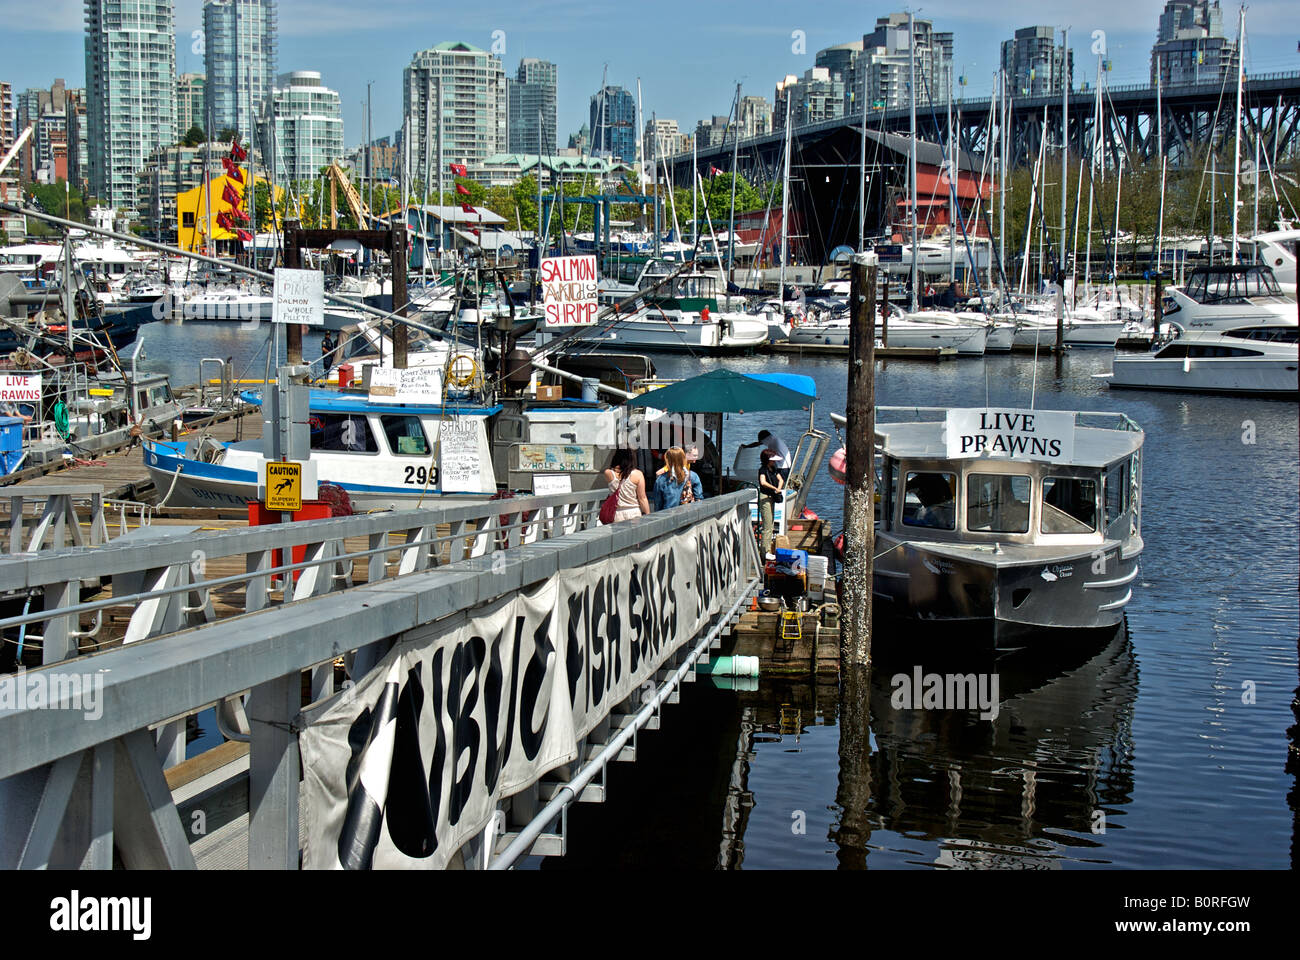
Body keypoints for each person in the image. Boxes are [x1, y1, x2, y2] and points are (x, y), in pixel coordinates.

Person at [602, 449, 650, 523]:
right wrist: (648, 516)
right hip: (633, 513)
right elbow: (642, 498)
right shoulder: (637, 474)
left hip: (616, 513)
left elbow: (614, 469)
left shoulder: (608, 473)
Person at [652, 446, 704, 511]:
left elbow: (658, 504)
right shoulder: (693, 476)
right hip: (688, 515)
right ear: (683, 458)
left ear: (667, 460)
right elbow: (699, 498)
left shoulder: (661, 480)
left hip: (668, 517)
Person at [757, 448, 785, 556]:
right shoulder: (763, 469)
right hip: (765, 497)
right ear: (767, 459)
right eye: (772, 459)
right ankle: (765, 551)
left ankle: (767, 549)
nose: (774, 461)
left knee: (771, 524)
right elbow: (763, 482)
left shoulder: (773, 468)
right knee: (767, 525)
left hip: (772, 497)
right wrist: (774, 488)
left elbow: (781, 479)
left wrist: (778, 488)